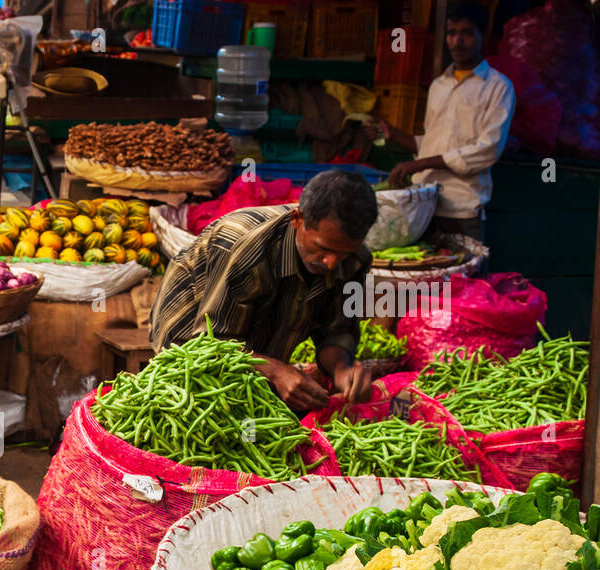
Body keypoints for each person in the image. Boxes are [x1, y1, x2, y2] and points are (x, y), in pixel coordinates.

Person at [149, 169, 379, 412]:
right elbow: (209, 346)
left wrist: (342, 369)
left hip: (260, 328)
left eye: (343, 254)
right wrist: (275, 370)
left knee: (256, 409)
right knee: (197, 403)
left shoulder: (355, 259)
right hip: (191, 324)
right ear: (297, 219)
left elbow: (336, 330)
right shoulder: (244, 248)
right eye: (323, 248)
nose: (332, 263)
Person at [367, 1, 514, 244]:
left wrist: (419, 164)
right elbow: (433, 142)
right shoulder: (438, 85)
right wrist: (393, 133)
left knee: (465, 280)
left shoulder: (498, 87)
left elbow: (488, 149)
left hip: (463, 208)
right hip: (425, 205)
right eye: (451, 33)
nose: (457, 41)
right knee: (428, 279)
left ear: (483, 36)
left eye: (466, 33)